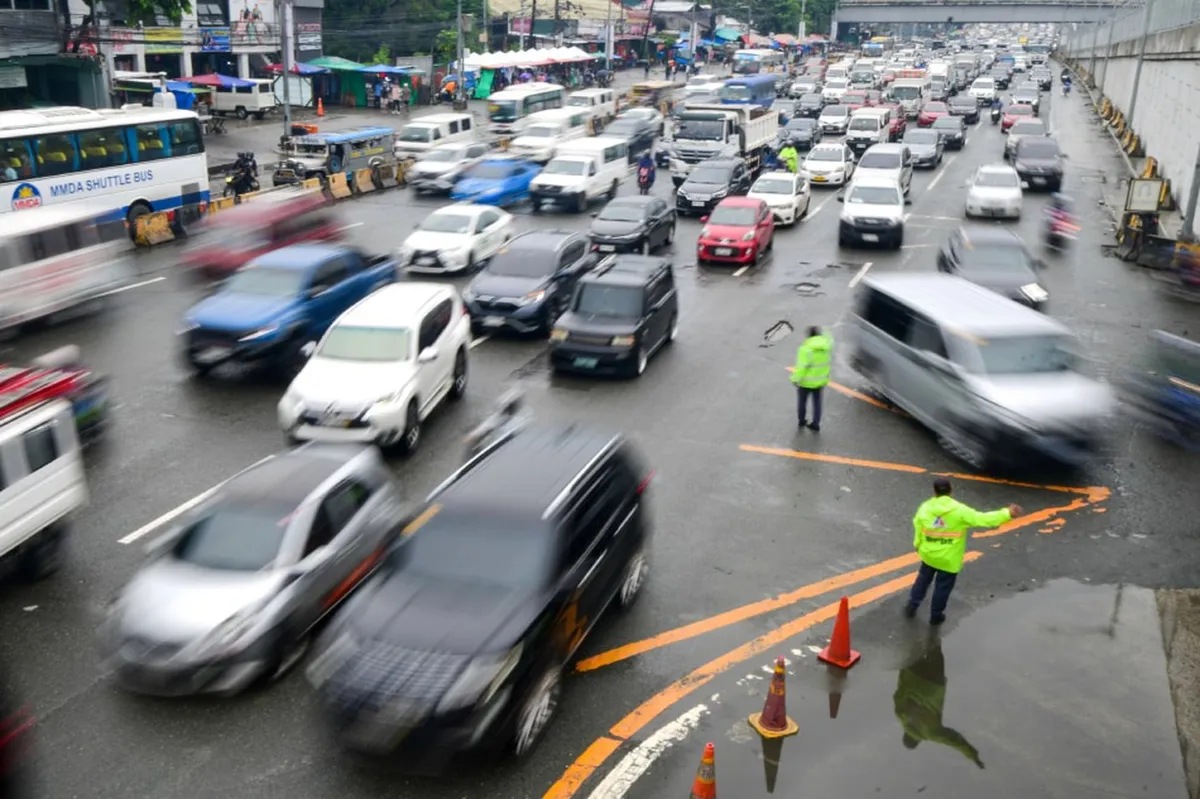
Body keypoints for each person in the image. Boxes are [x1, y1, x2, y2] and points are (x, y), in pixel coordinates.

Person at [906, 478, 1021, 625]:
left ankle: (912, 605)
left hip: (928, 554)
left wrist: (917, 544)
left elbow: (918, 525)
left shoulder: (925, 507)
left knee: (922, 580)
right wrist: (1007, 513)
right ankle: (936, 616)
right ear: (951, 491)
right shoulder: (959, 511)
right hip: (949, 559)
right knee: (942, 588)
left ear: (934, 491)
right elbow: (983, 519)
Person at [893, 640, 984, 768]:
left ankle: (934, 629)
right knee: (914, 646)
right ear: (905, 734)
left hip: (933, 685)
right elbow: (899, 691)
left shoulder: (930, 733)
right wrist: (905, 668)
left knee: (935, 649)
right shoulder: (900, 714)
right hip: (913, 676)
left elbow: (954, 740)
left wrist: (972, 755)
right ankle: (916, 625)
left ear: (917, 741)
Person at [791, 326, 832, 431]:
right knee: (817, 403)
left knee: (802, 402)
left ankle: (801, 420)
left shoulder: (805, 349)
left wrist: (795, 379)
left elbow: (801, 367)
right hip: (820, 381)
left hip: (806, 382)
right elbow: (827, 364)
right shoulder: (826, 348)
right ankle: (816, 424)